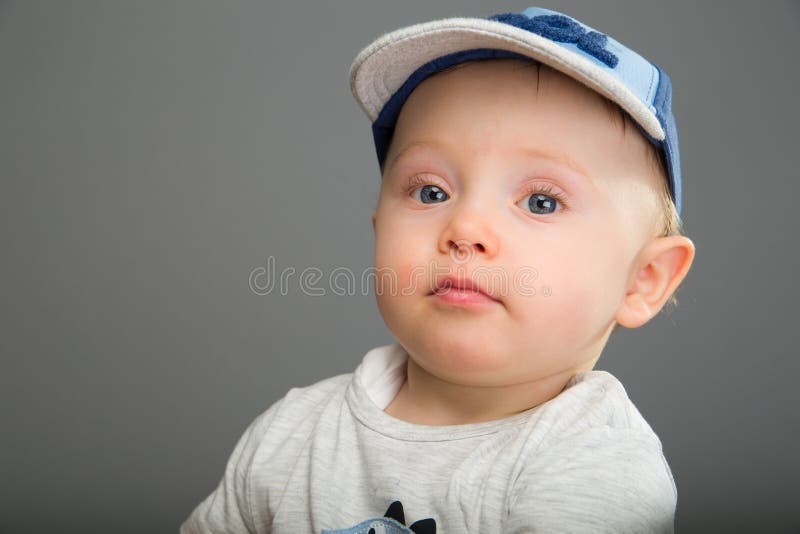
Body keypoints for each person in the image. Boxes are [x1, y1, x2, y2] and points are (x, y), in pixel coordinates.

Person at [181, 6, 695, 533]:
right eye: (431, 192)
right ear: (379, 228)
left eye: (541, 202)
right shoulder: (291, 436)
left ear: (643, 280)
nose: (465, 226)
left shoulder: (595, 469)